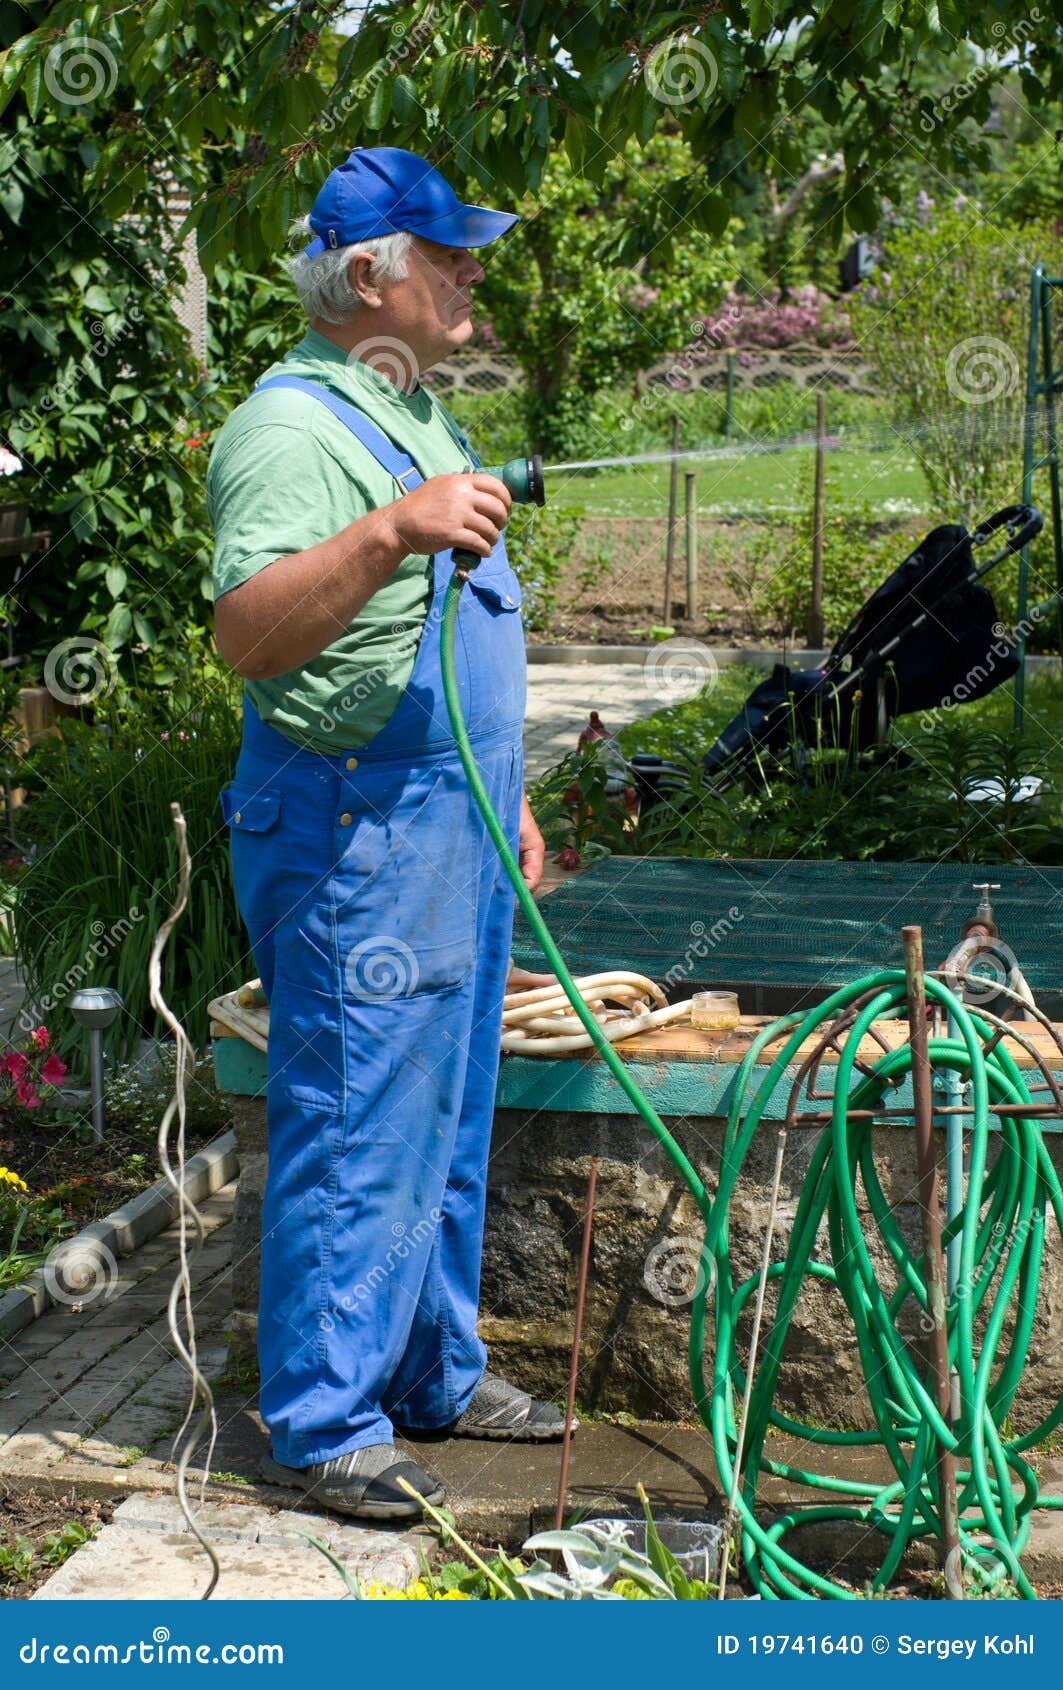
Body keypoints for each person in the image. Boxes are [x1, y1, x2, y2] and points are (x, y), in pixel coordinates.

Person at [207, 146, 569, 1521]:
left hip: (445, 821)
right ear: (371, 275)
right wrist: (391, 531)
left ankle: (428, 1368)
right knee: (358, 1107)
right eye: (449, 251)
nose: (472, 272)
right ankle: (320, 1420)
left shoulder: (399, 409)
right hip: (352, 825)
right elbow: (251, 631)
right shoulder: (288, 431)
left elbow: (434, 622)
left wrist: (504, 790)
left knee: (444, 1105)